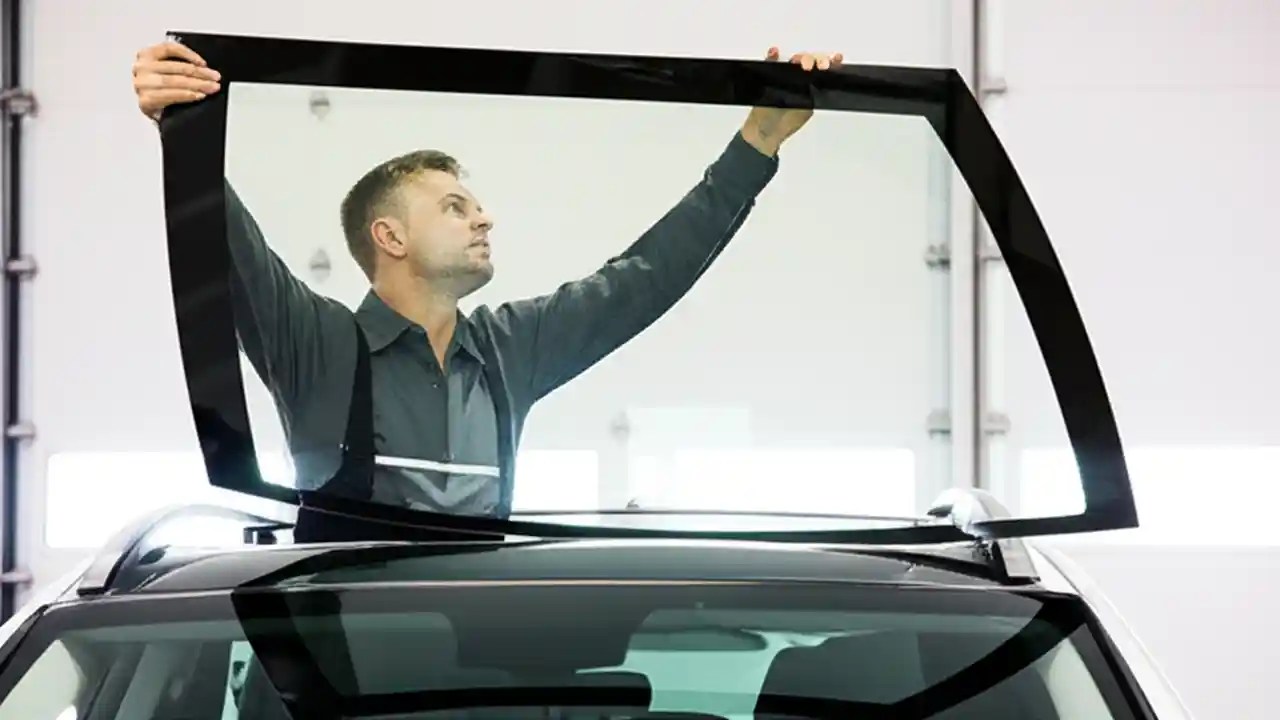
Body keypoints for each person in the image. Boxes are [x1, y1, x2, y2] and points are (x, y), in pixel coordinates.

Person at [133, 40, 844, 541]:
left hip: (472, 671)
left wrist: (758, 139)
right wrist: (183, 118)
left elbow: (644, 279)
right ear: (390, 237)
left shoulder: (509, 350)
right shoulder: (316, 344)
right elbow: (234, 248)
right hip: (337, 682)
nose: (484, 216)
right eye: (453, 205)